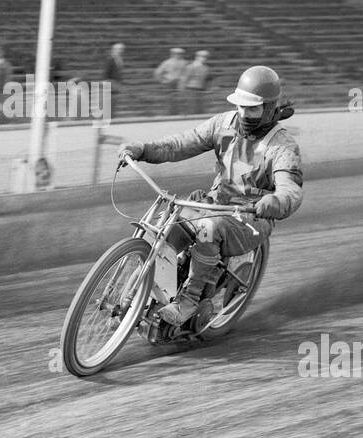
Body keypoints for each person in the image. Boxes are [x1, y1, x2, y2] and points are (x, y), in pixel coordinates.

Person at [119, 66, 302, 334]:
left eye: (252, 109)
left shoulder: (283, 146)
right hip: (213, 204)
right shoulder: (223, 124)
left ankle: (189, 301)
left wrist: (276, 202)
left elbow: (291, 190)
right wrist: (143, 149)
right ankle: (137, 288)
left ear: (270, 109)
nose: (243, 114)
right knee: (168, 223)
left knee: (208, 229)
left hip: (251, 218)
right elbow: (180, 144)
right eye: (240, 106)